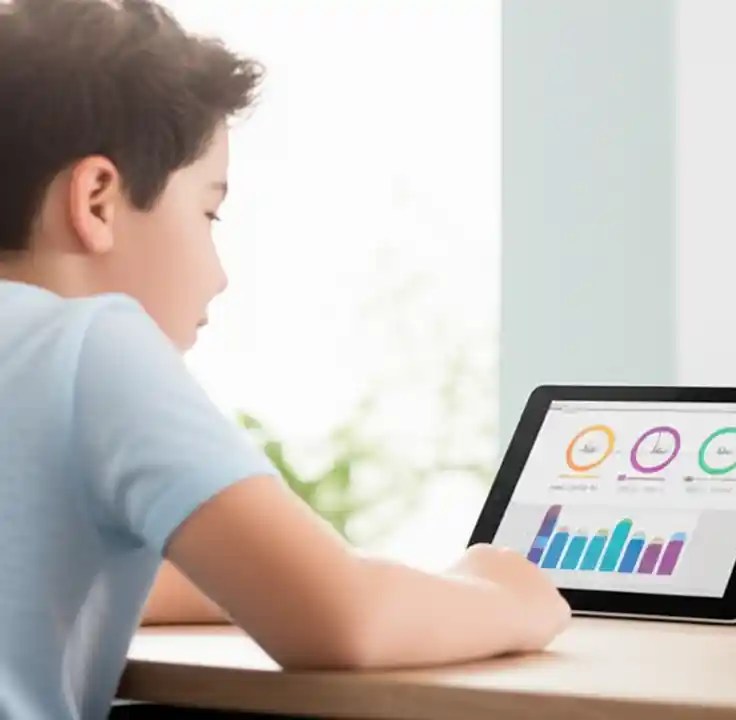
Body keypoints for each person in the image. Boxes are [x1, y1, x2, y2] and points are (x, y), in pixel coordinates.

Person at [0, 1, 569, 717]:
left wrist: (268, 574)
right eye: (210, 213)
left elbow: (57, 573)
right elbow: (343, 622)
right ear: (98, 201)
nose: (221, 273)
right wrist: (500, 596)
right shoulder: (89, 346)